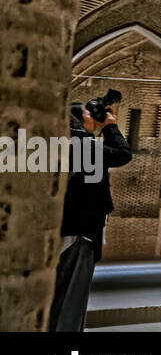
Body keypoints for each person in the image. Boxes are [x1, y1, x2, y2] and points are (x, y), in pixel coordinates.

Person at [50, 92, 133, 332]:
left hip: (65, 227)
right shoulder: (82, 143)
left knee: (58, 292)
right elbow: (122, 154)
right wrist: (110, 126)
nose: (93, 117)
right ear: (77, 120)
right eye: (88, 114)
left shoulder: (59, 143)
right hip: (79, 231)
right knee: (70, 297)